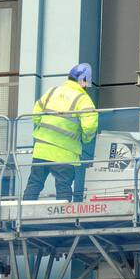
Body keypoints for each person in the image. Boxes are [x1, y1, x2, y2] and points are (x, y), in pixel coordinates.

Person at [24, 63, 99, 202]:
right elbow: (89, 126)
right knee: (63, 186)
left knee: (34, 183)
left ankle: (23, 216)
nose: (86, 87)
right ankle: (63, 220)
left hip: (42, 149)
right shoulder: (83, 99)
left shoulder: (52, 92)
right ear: (82, 80)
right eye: (86, 83)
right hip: (65, 152)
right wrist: (85, 139)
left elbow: (36, 114)